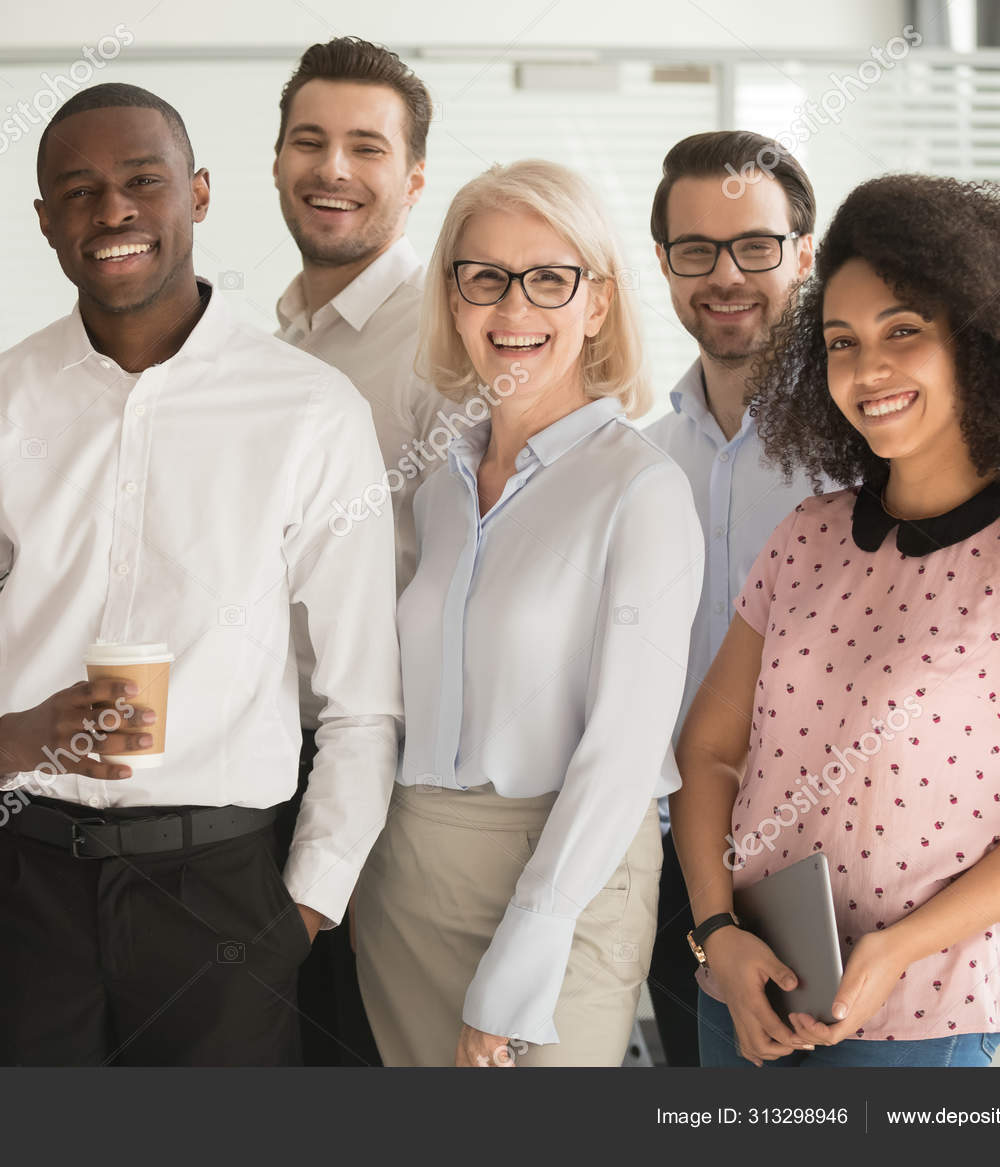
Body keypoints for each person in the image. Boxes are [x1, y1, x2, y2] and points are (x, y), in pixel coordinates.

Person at [0, 83, 401, 1066]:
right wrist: (7, 736)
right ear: (45, 221)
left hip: (226, 894)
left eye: (141, 181)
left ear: (197, 193)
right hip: (17, 882)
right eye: (78, 192)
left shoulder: (310, 411)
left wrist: (304, 906)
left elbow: (362, 704)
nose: (111, 210)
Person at [671, 174, 1000, 1068]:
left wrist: (898, 947)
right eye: (842, 342)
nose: (866, 369)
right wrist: (717, 932)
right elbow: (710, 750)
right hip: (747, 998)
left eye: (903, 331)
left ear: (981, 342)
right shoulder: (806, 536)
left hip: (920, 1021)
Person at [353, 159, 703, 1067]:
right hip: (410, 876)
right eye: (485, 277)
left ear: (598, 302)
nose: (513, 307)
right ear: (453, 296)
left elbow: (624, 753)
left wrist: (528, 944)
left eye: (550, 278)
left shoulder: (642, 489)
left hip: (567, 876)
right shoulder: (440, 488)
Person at [270, 35, 445, 1067]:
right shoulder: (282, 337)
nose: (331, 168)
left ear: (414, 180)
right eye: (309, 141)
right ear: (277, 161)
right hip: (285, 761)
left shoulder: (442, 338)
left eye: (366, 148)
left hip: (398, 777)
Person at [641, 131, 820, 1067]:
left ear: (805, 253)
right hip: (673, 851)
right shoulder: (641, 459)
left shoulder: (863, 452)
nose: (725, 275)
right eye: (696, 250)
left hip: (819, 853)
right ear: (663, 261)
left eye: (755, 245)